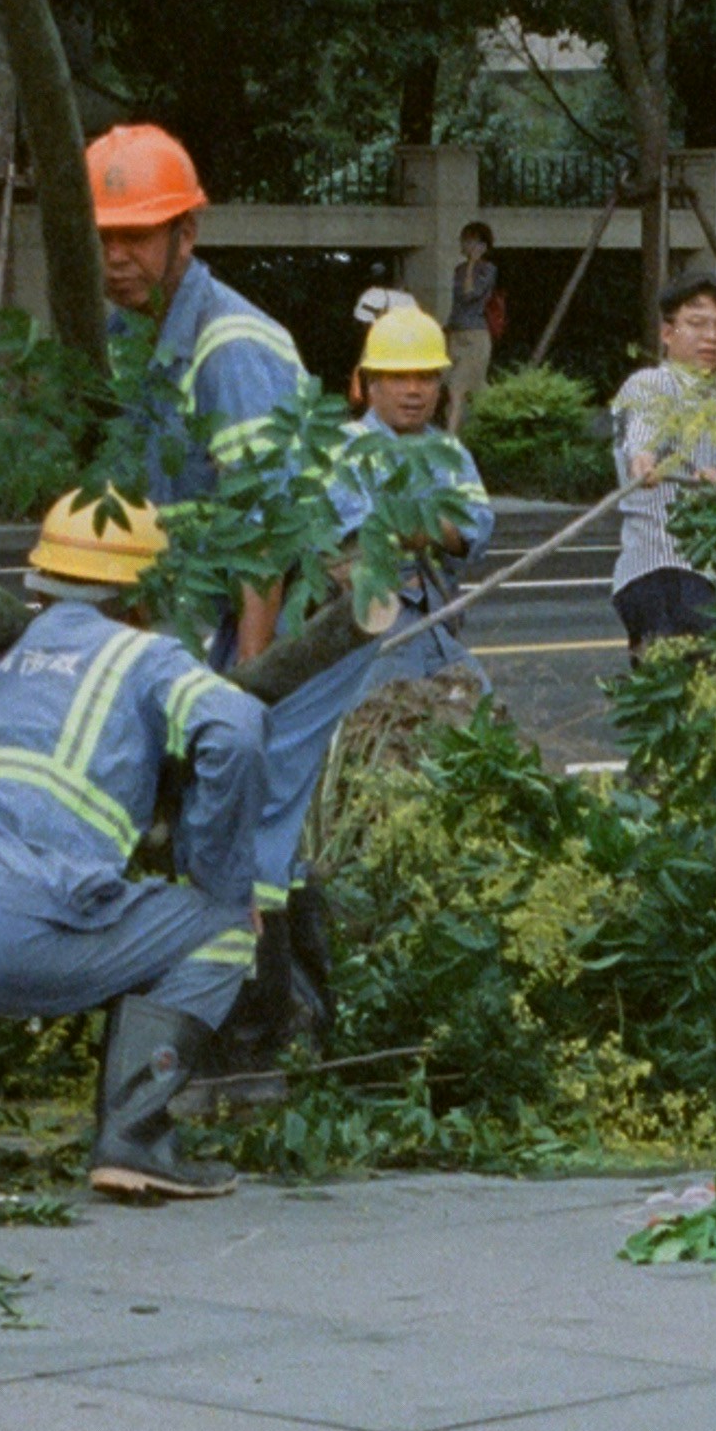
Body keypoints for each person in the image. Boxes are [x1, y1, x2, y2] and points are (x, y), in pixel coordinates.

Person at [0, 487, 264, 1206]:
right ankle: (134, 1139)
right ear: (146, 590)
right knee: (219, 929)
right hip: (4, 935)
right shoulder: (144, 655)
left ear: (39, 581)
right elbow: (239, 729)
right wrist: (217, 872)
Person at [238, 296, 497, 1052]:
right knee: (367, 768)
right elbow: (362, 531)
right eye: (396, 378)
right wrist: (420, 521)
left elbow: (467, 533)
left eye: (424, 378)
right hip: (369, 641)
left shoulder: (451, 455)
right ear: (366, 384)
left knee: (477, 746)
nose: (412, 391)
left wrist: (412, 520)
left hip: (437, 633)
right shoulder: (341, 453)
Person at [90, 120, 309, 666]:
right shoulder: (125, 340)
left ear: (184, 235)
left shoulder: (229, 349)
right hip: (206, 613)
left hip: (292, 617)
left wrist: (246, 694)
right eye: (102, 238)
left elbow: (266, 539)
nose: (115, 257)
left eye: (135, 236)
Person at [609, 272, 716, 655]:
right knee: (689, 687)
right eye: (697, 324)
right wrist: (643, 459)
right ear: (667, 333)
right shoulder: (653, 383)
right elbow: (643, 429)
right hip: (664, 571)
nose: (712, 337)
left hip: (705, 576)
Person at [442, 222, 505, 437]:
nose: (465, 244)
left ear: (482, 246)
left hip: (475, 336)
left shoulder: (488, 270)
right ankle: (497, 427)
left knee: (457, 389)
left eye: (471, 240)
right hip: (456, 334)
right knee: (463, 388)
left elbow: (470, 294)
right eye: (464, 239)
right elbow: (458, 301)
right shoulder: (457, 270)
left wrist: (472, 264)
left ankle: (450, 441)